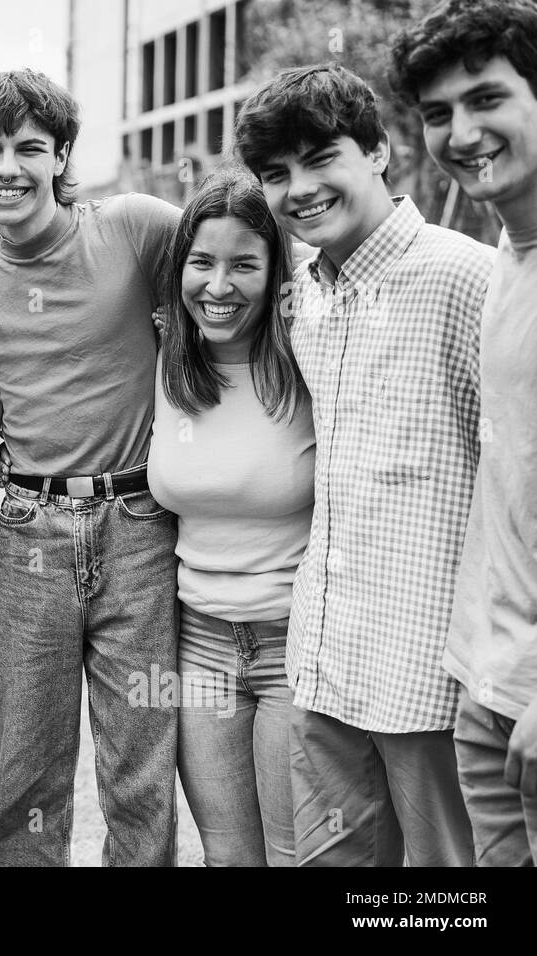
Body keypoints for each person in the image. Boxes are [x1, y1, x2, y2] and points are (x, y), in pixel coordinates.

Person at [235, 63, 494, 866]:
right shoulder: (305, 298)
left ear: (379, 150)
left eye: (321, 159)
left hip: (433, 682)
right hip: (324, 667)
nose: (299, 189)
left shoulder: (468, 279)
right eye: (276, 174)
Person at [0, 68, 182, 867]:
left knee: (140, 767)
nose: (7, 167)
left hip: (141, 527)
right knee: (25, 768)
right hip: (29, 534)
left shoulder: (134, 227)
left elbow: (238, 255)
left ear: (60, 158)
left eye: (29, 148)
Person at [390, 0, 537, 865]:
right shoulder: (504, 262)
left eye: (487, 99)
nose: (461, 131)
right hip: (488, 690)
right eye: (439, 113)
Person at [148, 164, 314, 867]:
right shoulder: (167, 363)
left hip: (295, 646)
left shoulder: (309, 358)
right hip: (199, 646)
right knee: (228, 856)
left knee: (294, 853)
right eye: (202, 262)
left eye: (245, 264)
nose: (218, 287)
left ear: (277, 271)